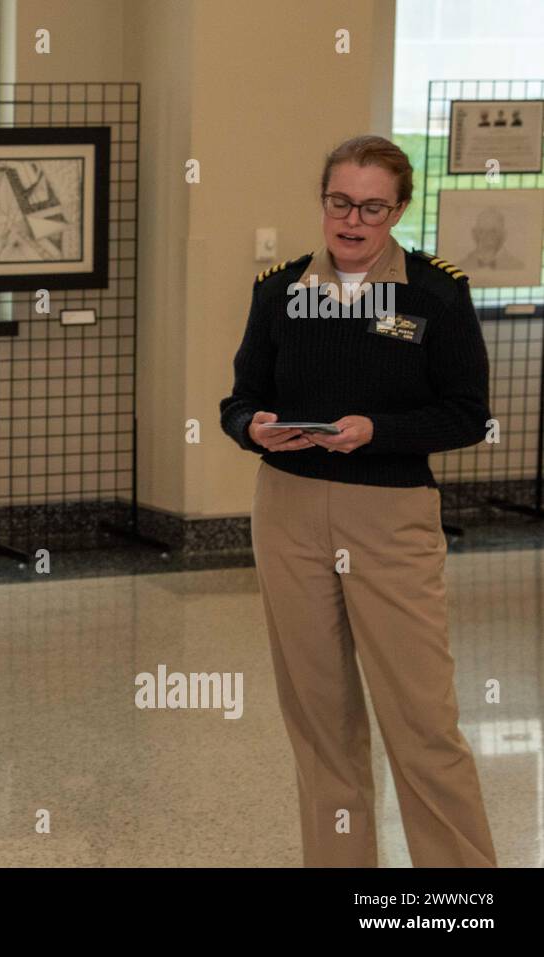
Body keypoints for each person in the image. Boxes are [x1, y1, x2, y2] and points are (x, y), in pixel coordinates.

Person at [219, 135, 496, 867]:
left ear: (399, 209)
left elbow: (467, 414)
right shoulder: (279, 290)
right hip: (289, 512)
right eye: (340, 202)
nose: (353, 220)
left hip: (391, 517)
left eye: (373, 206)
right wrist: (254, 426)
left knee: (422, 723)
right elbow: (240, 398)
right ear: (323, 201)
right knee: (320, 722)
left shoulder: (436, 292)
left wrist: (377, 432)